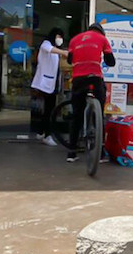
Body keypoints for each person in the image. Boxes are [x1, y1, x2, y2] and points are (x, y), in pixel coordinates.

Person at [66, 22, 116, 162]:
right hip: (94, 78)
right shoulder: (102, 39)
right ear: (101, 32)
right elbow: (111, 61)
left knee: (77, 115)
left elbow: (70, 60)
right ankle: (100, 154)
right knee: (100, 111)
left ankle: (71, 153)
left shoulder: (75, 40)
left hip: (78, 80)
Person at [31, 28, 68, 146]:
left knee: (47, 109)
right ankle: (47, 135)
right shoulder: (46, 44)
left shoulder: (57, 51)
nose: (60, 39)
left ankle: (41, 132)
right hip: (45, 83)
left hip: (53, 83)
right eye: (58, 36)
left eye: (61, 37)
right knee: (49, 110)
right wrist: (64, 52)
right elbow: (49, 49)